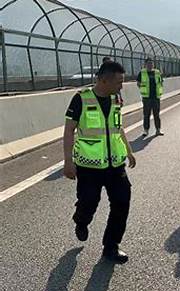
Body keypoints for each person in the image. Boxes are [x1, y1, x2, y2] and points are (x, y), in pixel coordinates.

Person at [63, 61, 136, 263]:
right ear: (104, 80)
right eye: (119, 82)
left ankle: (111, 246)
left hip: (115, 165)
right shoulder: (81, 99)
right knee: (89, 203)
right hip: (89, 166)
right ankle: (81, 220)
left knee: (122, 202)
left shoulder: (116, 99)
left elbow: (117, 127)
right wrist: (68, 161)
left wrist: (129, 151)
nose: (121, 86)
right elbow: (69, 130)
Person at [136, 58, 164, 136]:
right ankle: (146, 130)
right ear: (145, 64)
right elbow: (138, 83)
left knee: (157, 114)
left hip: (156, 97)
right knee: (146, 114)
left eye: (151, 64)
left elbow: (161, 82)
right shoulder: (142, 73)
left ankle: (158, 130)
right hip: (146, 98)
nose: (150, 65)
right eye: (148, 64)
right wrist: (143, 89)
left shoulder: (157, 72)